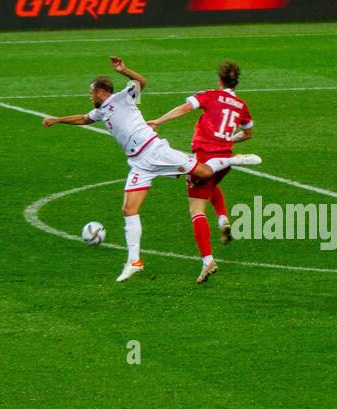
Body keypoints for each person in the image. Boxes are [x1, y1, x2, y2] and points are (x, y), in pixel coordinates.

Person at [40, 57, 261, 283]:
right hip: (138, 163)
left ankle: (232, 159)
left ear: (100, 91)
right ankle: (134, 262)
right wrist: (57, 120)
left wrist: (123, 70)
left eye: (91, 92)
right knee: (129, 209)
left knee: (204, 173)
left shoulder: (124, 97)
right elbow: (83, 118)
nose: (89, 96)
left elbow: (142, 82)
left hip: (154, 150)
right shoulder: (100, 112)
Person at [145, 61, 254, 283]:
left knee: (196, 209)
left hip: (204, 158)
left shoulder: (211, 95)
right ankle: (223, 218)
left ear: (220, 80)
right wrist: (229, 139)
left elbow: (185, 108)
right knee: (211, 185)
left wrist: (159, 120)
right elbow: (248, 133)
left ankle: (208, 261)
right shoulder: (241, 105)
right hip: (224, 157)